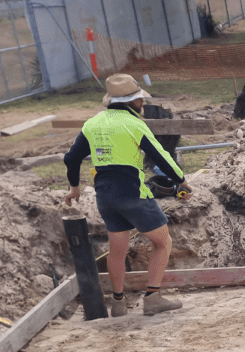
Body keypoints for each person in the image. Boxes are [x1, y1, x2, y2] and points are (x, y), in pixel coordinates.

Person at [63, 74, 187, 316]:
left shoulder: (93, 123)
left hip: (105, 196)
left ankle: (118, 304)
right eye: (140, 101)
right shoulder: (135, 125)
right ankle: (153, 298)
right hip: (134, 194)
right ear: (135, 102)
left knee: (117, 250)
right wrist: (182, 182)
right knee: (163, 242)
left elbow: (71, 157)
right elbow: (162, 157)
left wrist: (74, 187)